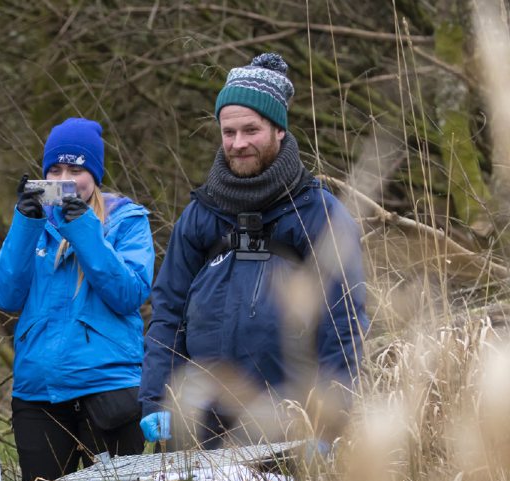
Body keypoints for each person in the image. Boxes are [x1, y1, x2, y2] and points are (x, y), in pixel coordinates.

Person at [140, 52, 367, 447]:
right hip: (202, 429)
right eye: (229, 132)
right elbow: (168, 314)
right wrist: (157, 397)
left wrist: (333, 421)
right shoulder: (200, 215)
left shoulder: (317, 214)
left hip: (289, 425)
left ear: (279, 129)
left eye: (251, 130)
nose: (238, 143)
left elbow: (343, 325)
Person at [0, 118, 154, 481]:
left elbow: (129, 294)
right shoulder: (35, 222)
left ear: (94, 173)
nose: (66, 179)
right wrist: (25, 223)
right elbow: (2, 295)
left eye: (76, 169)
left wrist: (83, 230)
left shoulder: (126, 221)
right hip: (39, 392)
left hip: (109, 388)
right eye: (55, 170)